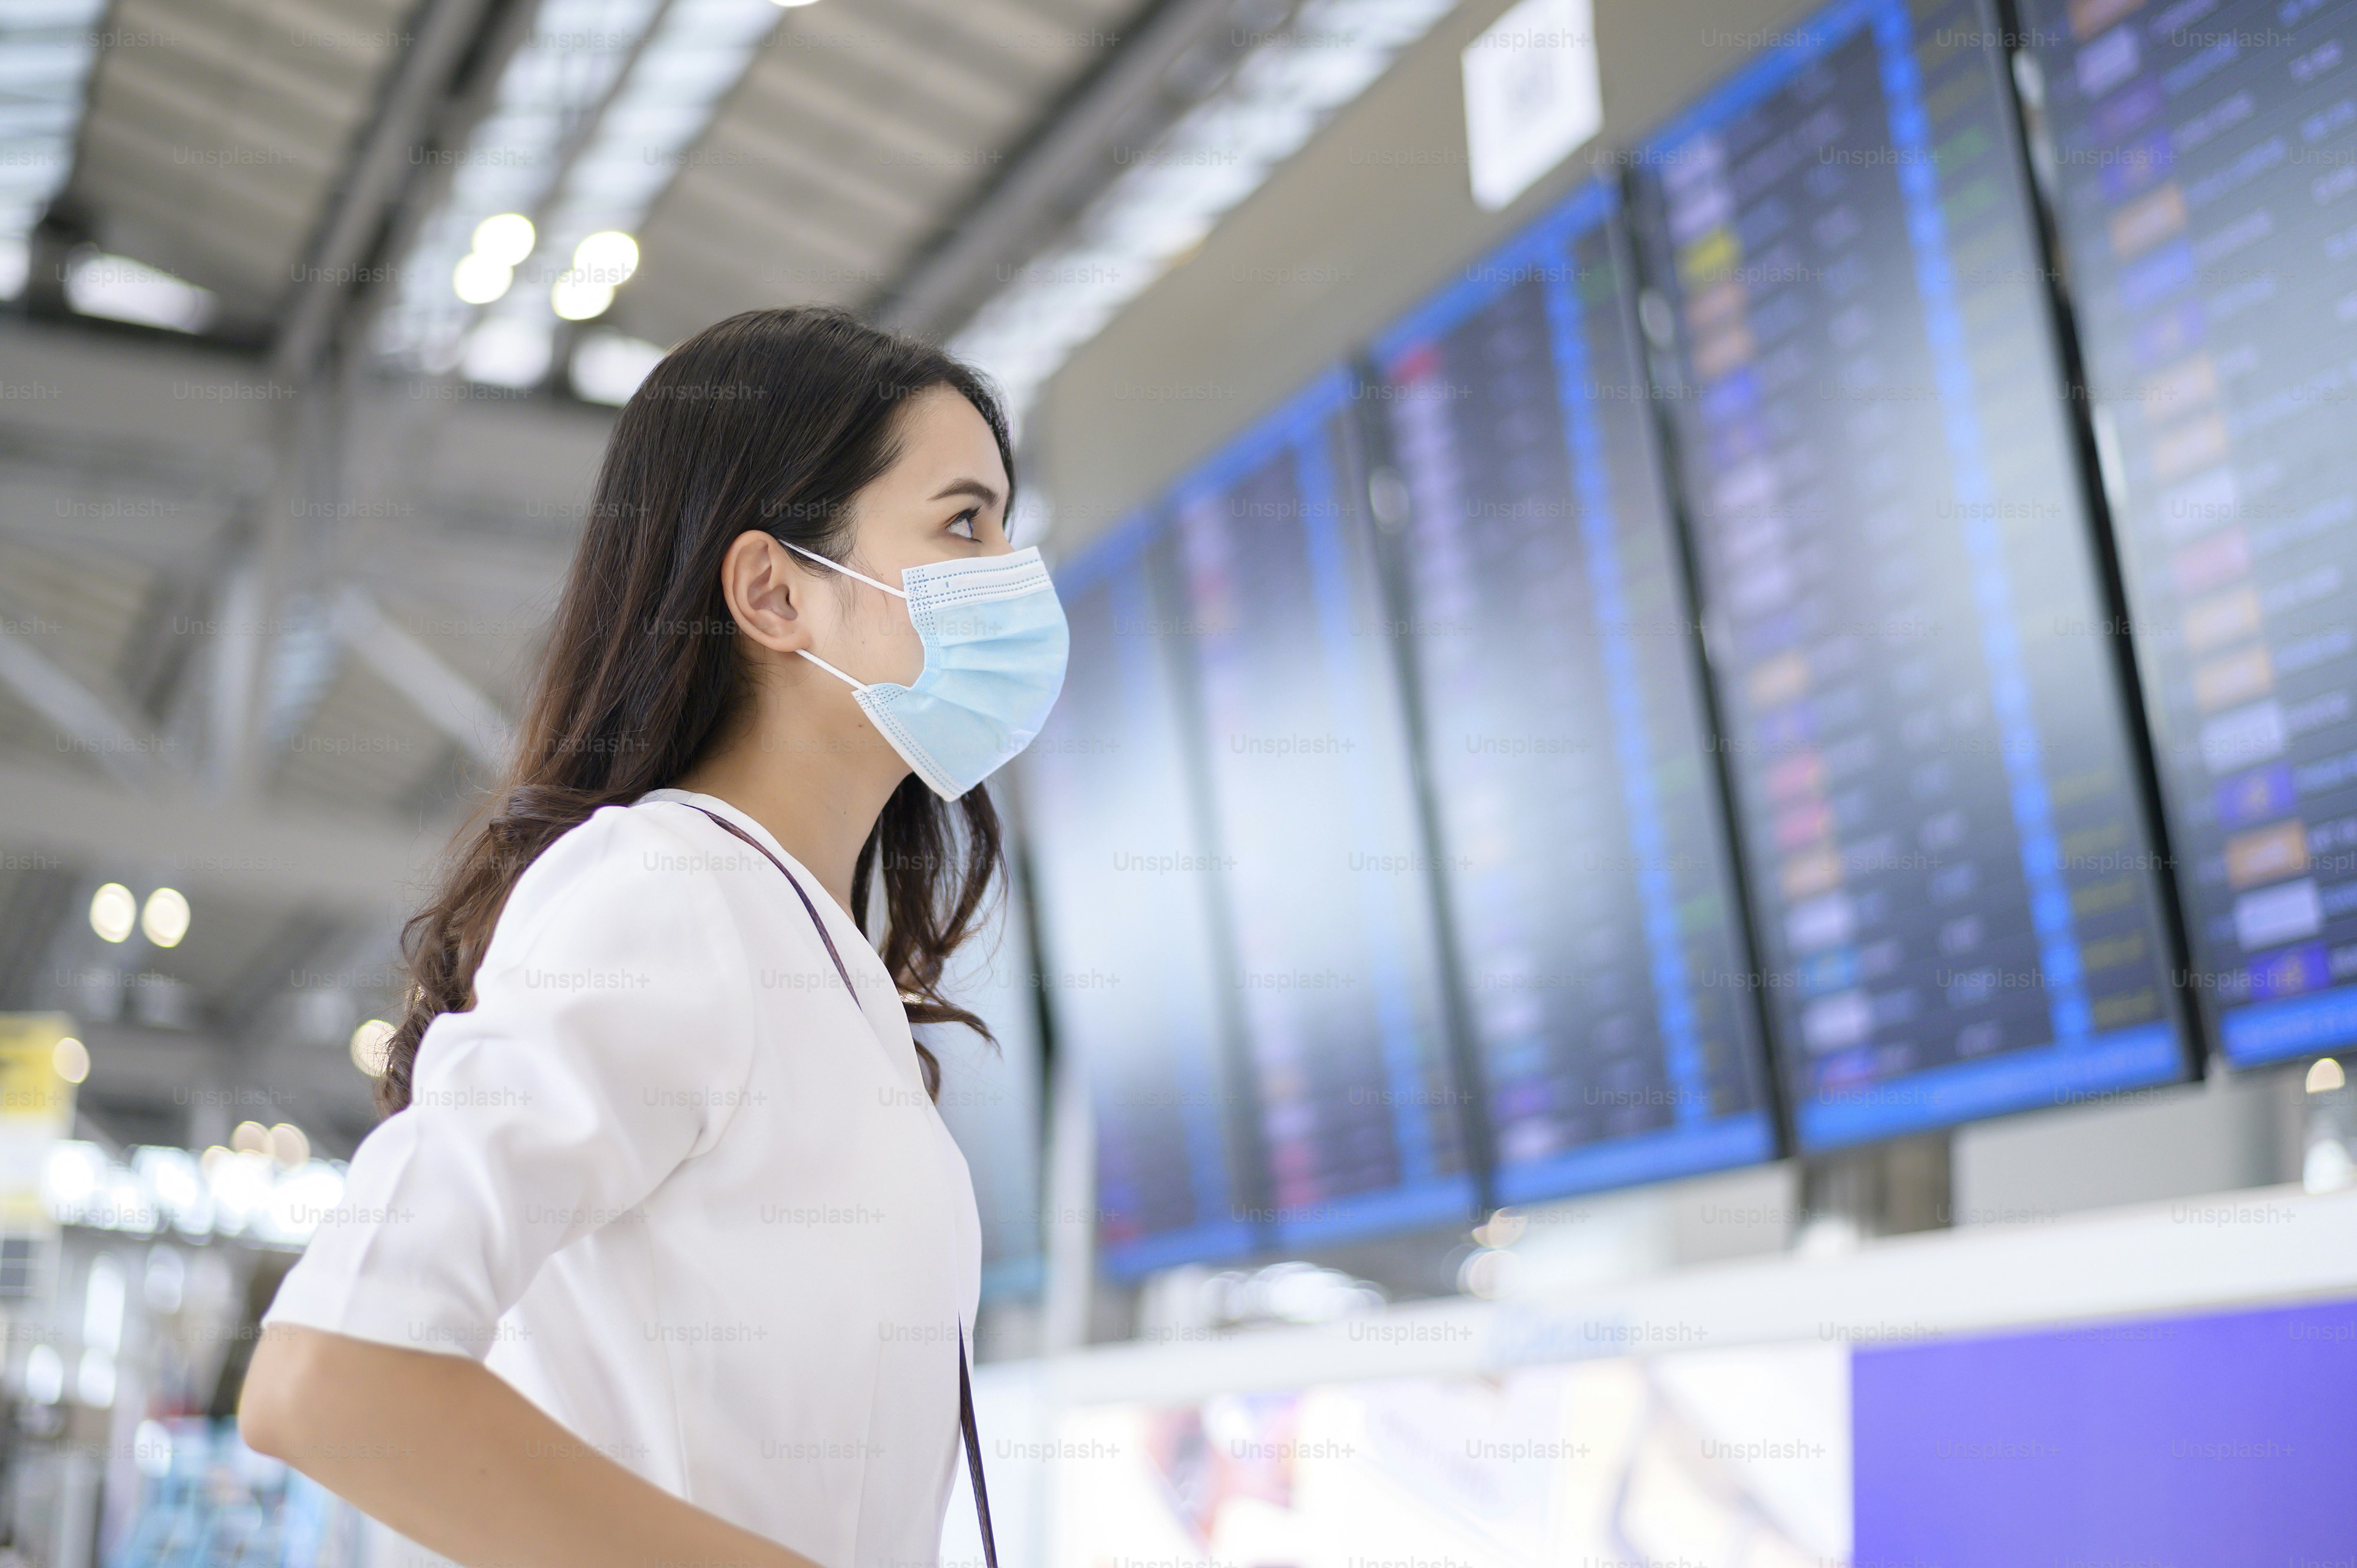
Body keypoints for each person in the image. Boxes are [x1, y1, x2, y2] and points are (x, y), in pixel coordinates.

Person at [237, 308, 1068, 1568]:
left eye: (1006, 521)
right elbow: (338, 1372)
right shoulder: (665, 894)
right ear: (774, 591)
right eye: (963, 522)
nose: (1012, 568)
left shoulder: (810, 952)